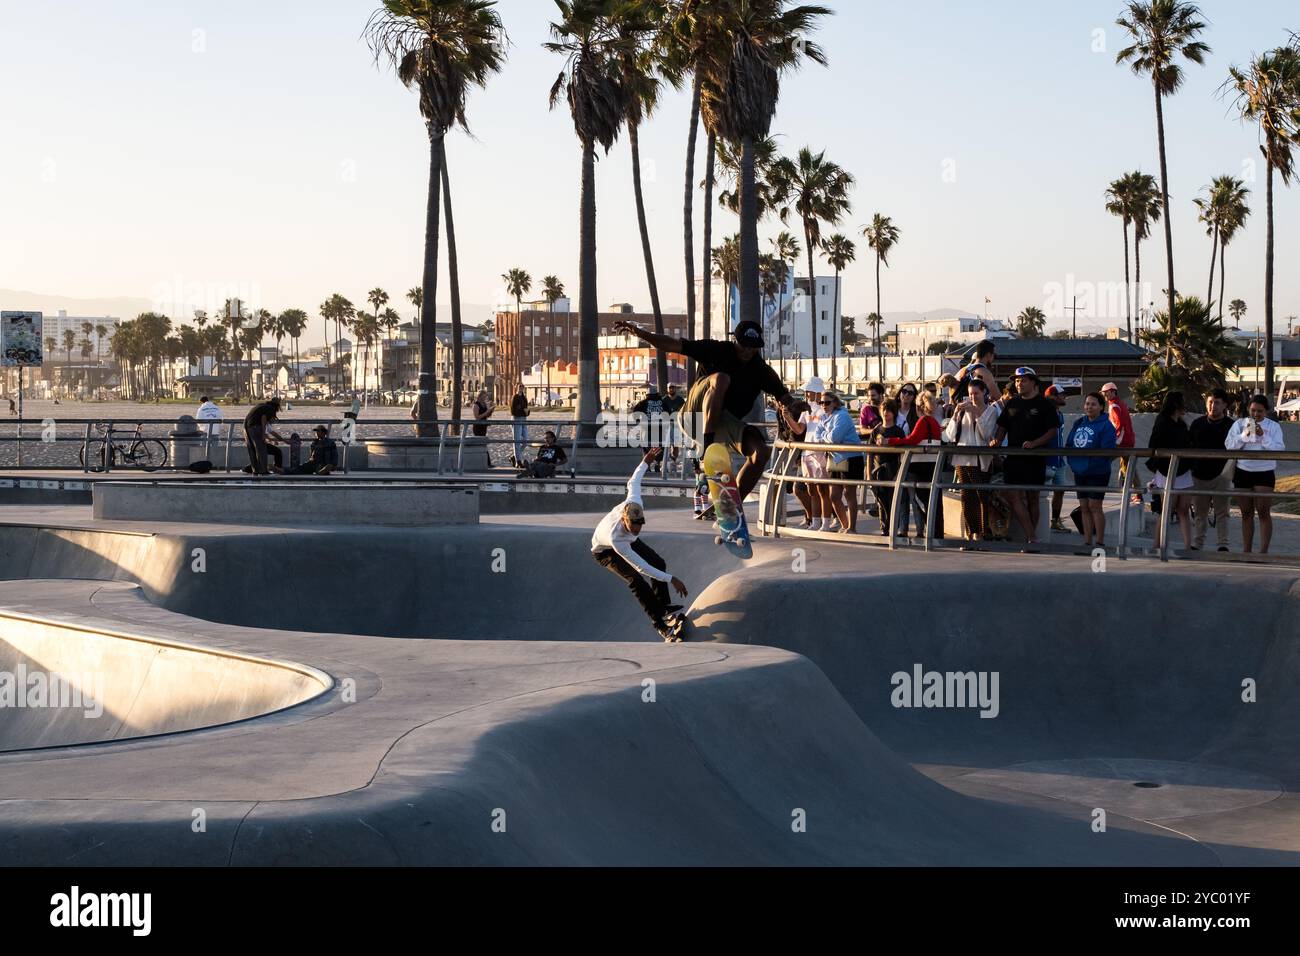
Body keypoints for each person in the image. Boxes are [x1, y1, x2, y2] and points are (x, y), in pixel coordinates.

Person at [614, 318, 796, 502]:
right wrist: (641, 333)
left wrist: (801, 407)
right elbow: (672, 344)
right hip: (694, 415)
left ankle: (732, 507)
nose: (748, 351)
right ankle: (706, 451)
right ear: (735, 341)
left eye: (753, 347)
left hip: (723, 423)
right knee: (721, 379)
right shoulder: (717, 350)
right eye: (743, 346)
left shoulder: (762, 371)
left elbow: (786, 399)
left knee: (761, 452)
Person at [591, 448, 690, 641]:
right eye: (632, 526)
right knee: (635, 580)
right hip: (604, 551)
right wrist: (672, 579)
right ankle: (660, 625)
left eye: (640, 525)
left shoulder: (635, 501)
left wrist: (645, 462)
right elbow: (641, 567)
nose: (637, 529)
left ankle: (664, 608)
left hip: (628, 542)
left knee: (658, 562)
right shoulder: (616, 537)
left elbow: (633, 481)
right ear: (624, 519)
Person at [989, 367, 1058, 553]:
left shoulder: (1045, 404)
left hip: (1035, 459)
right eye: (1017, 381)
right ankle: (1031, 537)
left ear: (1034, 382)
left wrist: (1035, 443)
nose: (1019, 383)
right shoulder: (1012, 403)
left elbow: (1052, 430)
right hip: (1014, 457)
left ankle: (1031, 540)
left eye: (1023, 380)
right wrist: (997, 440)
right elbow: (1002, 426)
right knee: (1013, 496)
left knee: (1033, 498)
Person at [1226, 393, 1285, 555]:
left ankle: (1263, 552)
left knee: (1264, 512)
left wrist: (1262, 436)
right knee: (1246, 513)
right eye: (1253, 411)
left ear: (1266, 411)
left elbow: (1279, 449)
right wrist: (1244, 436)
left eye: (1259, 411)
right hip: (1243, 471)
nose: (1256, 414)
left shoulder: (1273, 426)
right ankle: (1247, 551)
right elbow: (1229, 446)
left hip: (1264, 472)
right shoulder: (1239, 424)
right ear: (1248, 410)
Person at [943, 378, 999, 550]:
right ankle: (971, 533)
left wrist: (977, 414)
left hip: (981, 460)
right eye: (970, 394)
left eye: (976, 393)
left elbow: (986, 434)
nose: (973, 397)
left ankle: (983, 533)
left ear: (984, 393)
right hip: (962, 458)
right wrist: (954, 414)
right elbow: (949, 436)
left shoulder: (990, 411)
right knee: (967, 497)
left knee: (982, 496)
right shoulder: (961, 411)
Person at [886, 390, 945, 539]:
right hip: (932, 464)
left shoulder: (923, 421)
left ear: (919, 407)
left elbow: (912, 440)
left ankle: (931, 529)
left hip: (919, 465)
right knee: (932, 501)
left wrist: (891, 441)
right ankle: (935, 531)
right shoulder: (934, 422)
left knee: (919, 498)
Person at [1065, 392, 1117, 554]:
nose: (1089, 407)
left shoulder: (1106, 426)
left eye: (1093, 404)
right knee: (1084, 506)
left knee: (1095, 506)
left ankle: (1099, 542)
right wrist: (1075, 463)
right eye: (1087, 404)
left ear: (1101, 407)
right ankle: (1087, 542)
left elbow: (1107, 451)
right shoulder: (1079, 422)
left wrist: (1090, 463)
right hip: (1080, 471)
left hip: (1098, 472)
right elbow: (1069, 444)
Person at [1188, 388, 1235, 553]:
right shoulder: (1197, 424)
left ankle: (1223, 544)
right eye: (1210, 402)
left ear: (1224, 405)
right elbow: (1189, 447)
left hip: (1222, 475)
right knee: (1200, 513)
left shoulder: (1232, 425)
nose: (1212, 406)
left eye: (1217, 402)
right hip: (1199, 475)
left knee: (1223, 512)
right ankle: (1197, 542)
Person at [1147, 391, 1194, 553]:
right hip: (1167, 469)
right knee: (1166, 509)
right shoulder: (1162, 422)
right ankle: (1157, 544)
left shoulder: (1181, 424)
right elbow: (1154, 444)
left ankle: (1188, 546)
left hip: (1184, 469)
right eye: (1182, 403)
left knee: (1184, 509)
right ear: (1175, 405)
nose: (1185, 407)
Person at [778, 377, 828, 529]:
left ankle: (825, 521)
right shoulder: (807, 410)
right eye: (806, 392)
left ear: (816, 392)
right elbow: (799, 429)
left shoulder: (825, 408)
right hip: (807, 452)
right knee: (811, 489)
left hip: (820, 452)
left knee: (822, 490)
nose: (806, 395)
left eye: (808, 392)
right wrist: (787, 417)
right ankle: (815, 521)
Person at [813, 390, 865, 534]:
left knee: (849, 493)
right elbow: (816, 438)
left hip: (851, 457)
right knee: (834, 495)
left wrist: (824, 436)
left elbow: (835, 438)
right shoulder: (823, 417)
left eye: (827, 402)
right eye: (821, 402)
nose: (824, 405)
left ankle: (852, 528)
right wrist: (826, 436)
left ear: (835, 403)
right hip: (835, 458)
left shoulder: (842, 416)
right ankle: (845, 524)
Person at [873, 399, 907, 538]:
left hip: (893, 468)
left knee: (893, 499)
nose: (886, 413)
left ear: (893, 413)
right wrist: (869, 473)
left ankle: (894, 526)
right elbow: (870, 452)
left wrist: (900, 471)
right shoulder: (876, 430)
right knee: (881, 500)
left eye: (888, 410)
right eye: (883, 410)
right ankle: (884, 527)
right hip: (878, 469)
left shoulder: (898, 431)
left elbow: (903, 453)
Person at [1102, 382, 1137, 499]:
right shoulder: (1121, 403)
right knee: (1128, 467)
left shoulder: (1114, 405)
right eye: (1103, 393)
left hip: (1121, 442)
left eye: (1106, 393)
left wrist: (1114, 440)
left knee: (1103, 460)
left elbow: (1119, 424)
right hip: (1128, 439)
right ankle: (1136, 493)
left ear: (1113, 392)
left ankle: (1098, 487)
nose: (1105, 395)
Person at [1042, 385, 1069, 532]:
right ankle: (1040, 523)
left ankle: (1055, 520)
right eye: (1061, 394)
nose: (1064, 397)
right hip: (1047, 459)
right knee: (1041, 494)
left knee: (1060, 490)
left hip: (1059, 460)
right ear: (1053, 396)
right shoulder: (1045, 413)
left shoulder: (1060, 414)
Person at [243, 397, 286, 476]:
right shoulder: (271, 409)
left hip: (246, 427)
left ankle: (255, 470)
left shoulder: (261, 406)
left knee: (252, 449)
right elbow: (263, 418)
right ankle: (263, 471)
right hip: (255, 427)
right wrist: (263, 434)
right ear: (277, 405)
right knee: (261, 450)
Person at [632, 388, 667, 472]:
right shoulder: (662, 403)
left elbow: (635, 412)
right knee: (659, 447)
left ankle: (646, 465)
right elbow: (668, 413)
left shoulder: (643, 402)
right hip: (659, 429)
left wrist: (638, 421)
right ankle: (657, 464)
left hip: (646, 429)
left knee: (646, 447)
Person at [660, 382, 686, 468]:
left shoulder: (680, 400)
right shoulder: (664, 400)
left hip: (677, 425)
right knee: (666, 444)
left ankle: (673, 460)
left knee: (675, 445)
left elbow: (684, 411)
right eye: (670, 388)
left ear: (675, 389)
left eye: (673, 387)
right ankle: (666, 462)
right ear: (667, 389)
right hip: (666, 426)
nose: (671, 389)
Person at [509, 386, 529, 467]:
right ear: (516, 387)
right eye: (520, 386)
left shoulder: (524, 397)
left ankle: (514, 456)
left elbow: (526, 408)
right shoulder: (515, 397)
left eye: (522, 386)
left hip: (524, 419)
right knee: (517, 441)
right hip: (516, 419)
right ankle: (518, 461)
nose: (521, 388)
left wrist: (527, 412)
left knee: (526, 441)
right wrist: (522, 411)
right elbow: (513, 411)